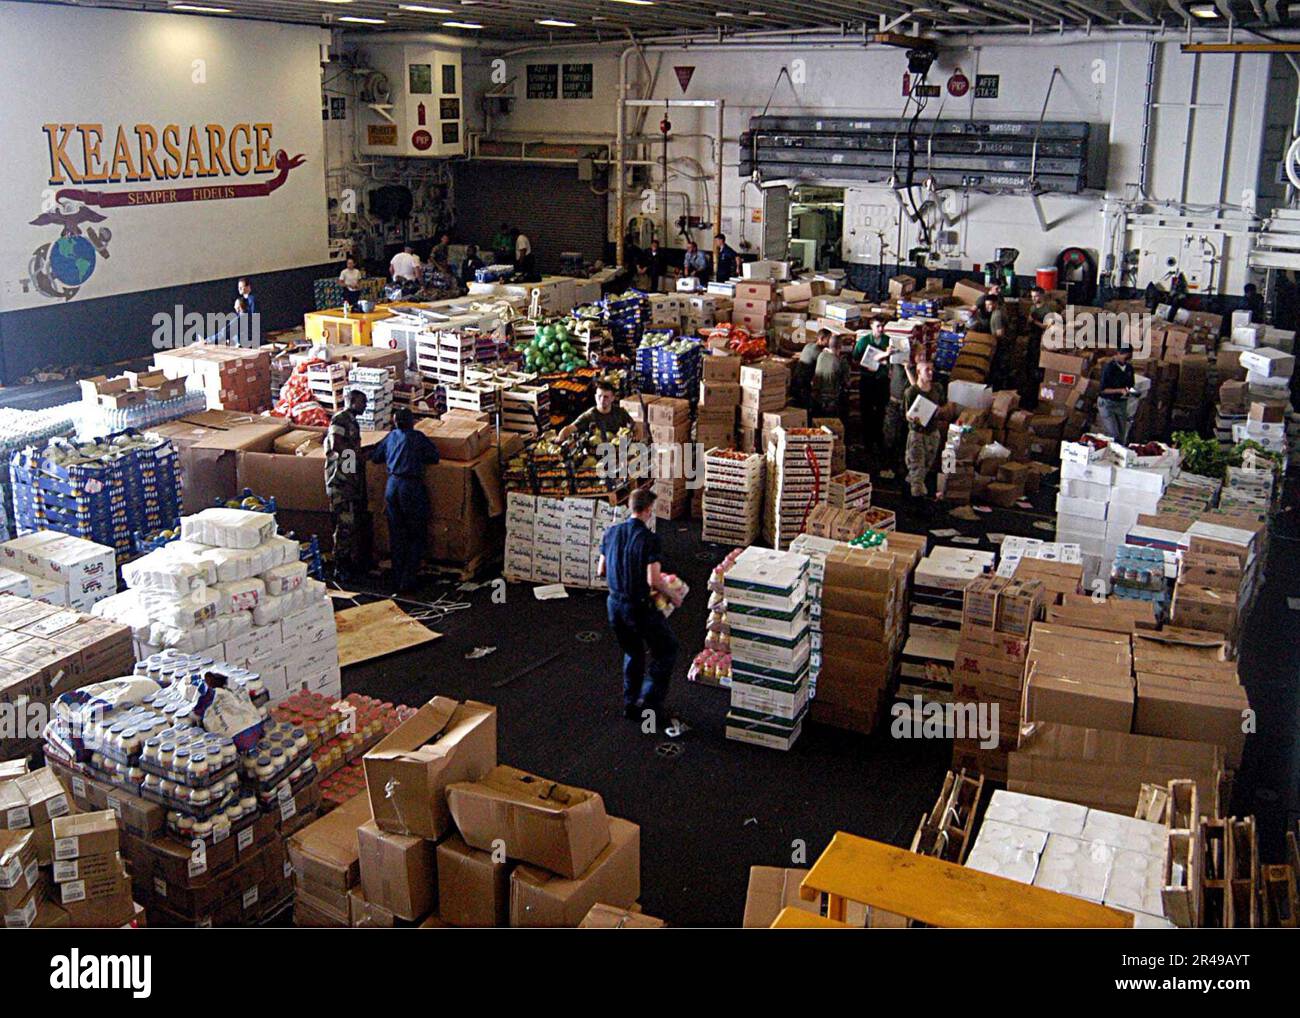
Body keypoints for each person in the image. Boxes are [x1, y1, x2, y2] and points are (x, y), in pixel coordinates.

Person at [596, 486, 683, 732]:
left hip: (614, 605)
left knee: (633, 652)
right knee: (666, 650)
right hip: (638, 606)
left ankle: (630, 703)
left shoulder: (611, 532)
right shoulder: (649, 538)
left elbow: (601, 571)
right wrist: (673, 594)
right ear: (647, 510)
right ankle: (650, 702)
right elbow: (653, 580)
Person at [368, 407, 440, 593]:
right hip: (411, 487)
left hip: (392, 486)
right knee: (416, 533)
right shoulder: (417, 438)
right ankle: (408, 579)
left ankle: (397, 576)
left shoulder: (390, 437)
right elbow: (434, 456)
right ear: (413, 421)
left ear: (394, 421)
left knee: (397, 533)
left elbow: (376, 458)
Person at [324, 390, 368, 583]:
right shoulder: (340, 419)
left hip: (348, 481)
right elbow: (336, 445)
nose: (365, 406)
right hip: (339, 482)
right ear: (353, 401)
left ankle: (348, 561)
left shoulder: (352, 422)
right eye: (363, 402)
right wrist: (354, 456)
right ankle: (340, 566)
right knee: (344, 525)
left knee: (349, 525)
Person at [903, 359, 947, 499]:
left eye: (931, 369)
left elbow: (944, 406)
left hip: (933, 433)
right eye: (926, 370)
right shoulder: (911, 392)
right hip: (917, 433)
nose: (930, 372)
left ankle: (911, 485)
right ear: (918, 372)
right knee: (917, 466)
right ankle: (916, 498)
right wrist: (913, 418)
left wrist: (940, 410)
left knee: (927, 464)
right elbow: (907, 414)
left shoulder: (937, 389)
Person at [853, 317, 892, 460]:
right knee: (866, 411)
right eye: (878, 326)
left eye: (882, 326)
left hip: (882, 380)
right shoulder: (863, 341)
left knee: (881, 410)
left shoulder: (887, 341)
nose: (881, 329)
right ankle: (867, 442)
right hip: (867, 380)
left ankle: (879, 440)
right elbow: (855, 357)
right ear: (871, 327)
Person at [560, 378, 636, 442]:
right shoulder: (589, 415)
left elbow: (635, 427)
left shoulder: (620, 412)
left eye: (606, 397)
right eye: (599, 396)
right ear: (595, 397)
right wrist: (560, 439)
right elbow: (569, 429)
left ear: (613, 398)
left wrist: (634, 436)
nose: (602, 400)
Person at [1097, 348, 1136, 445]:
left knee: (1122, 436)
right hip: (1107, 403)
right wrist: (1120, 390)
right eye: (1125, 357)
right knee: (1114, 434)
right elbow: (1103, 390)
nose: (1126, 360)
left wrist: (1132, 392)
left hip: (1121, 404)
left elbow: (1130, 385)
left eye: (1128, 358)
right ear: (1118, 354)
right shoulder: (1109, 368)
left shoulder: (1129, 368)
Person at [811, 334, 849, 421]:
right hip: (831, 400)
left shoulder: (821, 356)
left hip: (816, 397)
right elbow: (847, 382)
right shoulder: (841, 362)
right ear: (840, 347)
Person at [791, 329, 828, 409]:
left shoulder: (809, 345)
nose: (829, 342)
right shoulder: (817, 352)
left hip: (795, 380)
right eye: (828, 340)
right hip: (803, 385)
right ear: (821, 339)